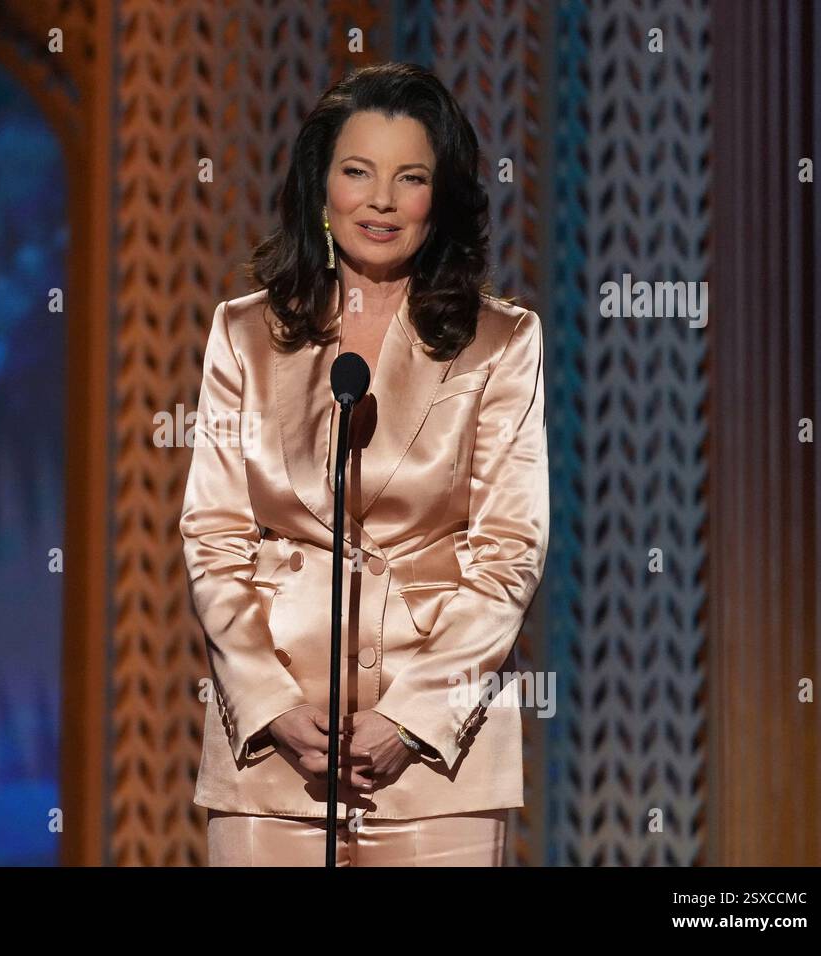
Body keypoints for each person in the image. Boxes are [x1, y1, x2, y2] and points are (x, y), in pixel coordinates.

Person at [179, 62, 549, 866]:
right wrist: (272, 705)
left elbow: (508, 552)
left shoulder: (502, 342)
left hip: (436, 762)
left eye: (409, 178)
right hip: (274, 757)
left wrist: (413, 719)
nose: (380, 201)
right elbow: (213, 537)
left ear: (438, 199)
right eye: (358, 172)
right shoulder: (244, 334)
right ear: (321, 185)